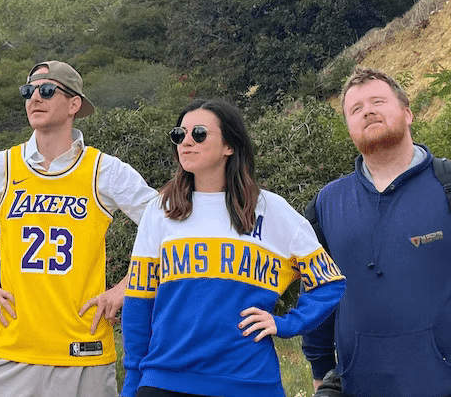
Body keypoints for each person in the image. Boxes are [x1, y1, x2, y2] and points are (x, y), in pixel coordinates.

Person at [0, 60, 157, 397]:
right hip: (13, 345)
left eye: (47, 90)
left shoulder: (104, 170)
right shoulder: (3, 166)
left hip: (84, 349)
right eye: (28, 91)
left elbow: (168, 227)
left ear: (74, 104)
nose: (34, 98)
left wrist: (126, 287)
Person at [122, 99, 345, 397]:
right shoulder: (161, 209)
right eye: (180, 135)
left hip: (249, 383)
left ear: (229, 145)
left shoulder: (271, 210)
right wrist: (132, 383)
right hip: (166, 381)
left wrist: (287, 324)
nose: (186, 142)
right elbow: (139, 301)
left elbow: (328, 282)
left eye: (199, 134)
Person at [302, 68, 451, 396]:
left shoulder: (447, 184)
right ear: (349, 128)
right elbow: (318, 294)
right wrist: (321, 369)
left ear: (408, 113)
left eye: (378, 101)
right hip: (361, 383)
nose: (367, 111)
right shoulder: (326, 204)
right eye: (355, 109)